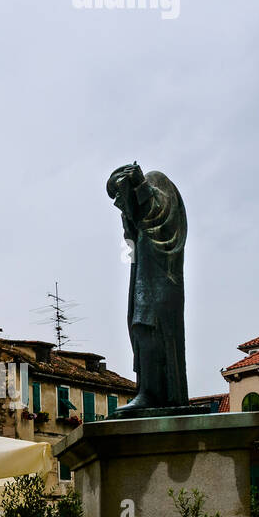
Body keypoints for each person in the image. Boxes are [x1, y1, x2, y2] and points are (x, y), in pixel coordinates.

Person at [106, 163, 188, 413]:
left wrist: (141, 188)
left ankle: (153, 393)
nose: (119, 202)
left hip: (163, 281)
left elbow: (163, 222)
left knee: (149, 328)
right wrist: (128, 214)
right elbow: (131, 237)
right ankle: (148, 390)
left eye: (119, 194)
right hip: (145, 277)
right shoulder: (140, 211)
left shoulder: (157, 182)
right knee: (139, 328)